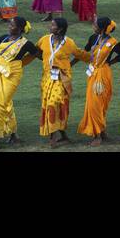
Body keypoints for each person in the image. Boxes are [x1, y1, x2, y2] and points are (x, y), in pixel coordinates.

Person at [0, 18, 39, 149]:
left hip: (12, 76)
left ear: (20, 29)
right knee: (1, 103)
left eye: (12, 25)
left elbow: (36, 53)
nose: (9, 26)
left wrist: (20, 63)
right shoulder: (3, 38)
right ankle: (13, 134)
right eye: (10, 24)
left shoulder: (25, 43)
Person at [35, 17, 90, 147]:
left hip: (62, 78)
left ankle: (52, 138)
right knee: (53, 105)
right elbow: (36, 51)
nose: (50, 26)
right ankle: (63, 135)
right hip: (47, 77)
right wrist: (46, 62)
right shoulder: (44, 39)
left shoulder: (69, 43)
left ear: (60, 29)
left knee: (53, 104)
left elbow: (80, 55)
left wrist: (93, 56)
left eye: (53, 25)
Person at [79, 17, 120, 146]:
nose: (93, 25)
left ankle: (97, 136)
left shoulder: (113, 42)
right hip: (92, 73)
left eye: (95, 24)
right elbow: (84, 52)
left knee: (98, 104)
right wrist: (70, 63)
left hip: (103, 75)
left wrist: (110, 62)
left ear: (102, 27)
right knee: (93, 104)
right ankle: (101, 132)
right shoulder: (93, 38)